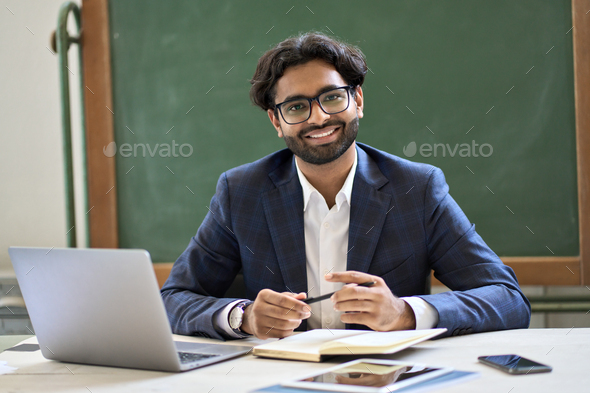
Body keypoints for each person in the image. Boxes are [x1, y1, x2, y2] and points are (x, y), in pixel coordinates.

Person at [161, 32, 531, 340]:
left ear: (357, 100)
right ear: (276, 121)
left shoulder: (416, 189)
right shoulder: (241, 192)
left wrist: (405, 313)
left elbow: (508, 299)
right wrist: (243, 317)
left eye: (332, 98)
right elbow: (173, 299)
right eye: (295, 107)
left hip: (388, 380)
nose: (318, 117)